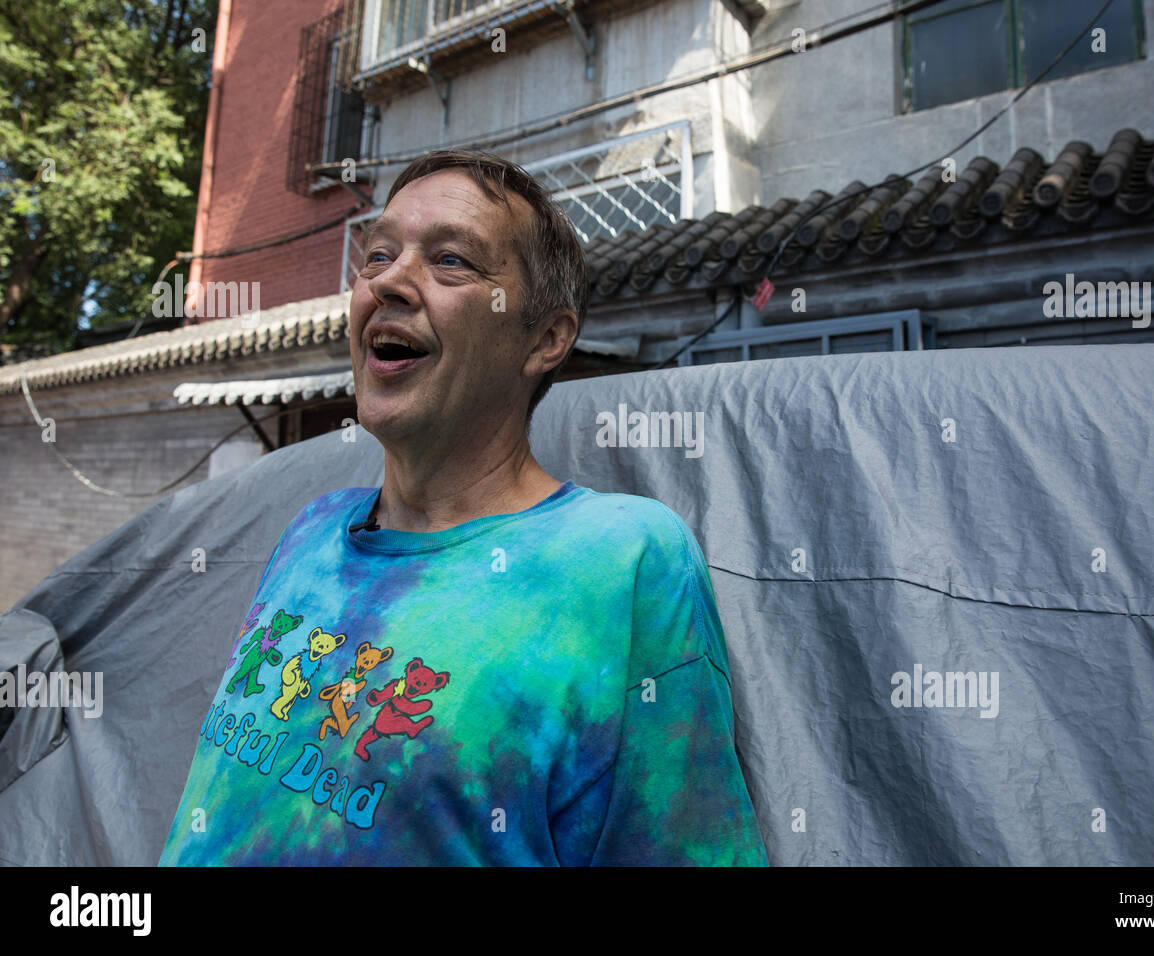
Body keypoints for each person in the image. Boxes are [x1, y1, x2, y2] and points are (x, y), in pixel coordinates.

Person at [156, 148, 769, 866]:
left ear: (545, 338)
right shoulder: (312, 529)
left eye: (451, 262)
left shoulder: (622, 560)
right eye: (378, 255)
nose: (390, 280)